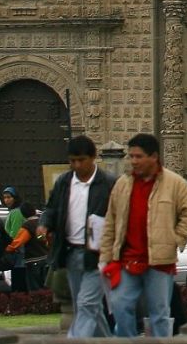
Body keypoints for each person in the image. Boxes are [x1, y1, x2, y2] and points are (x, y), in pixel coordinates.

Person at [99, 132, 187, 340]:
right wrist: (106, 255)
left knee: (159, 314)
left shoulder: (175, 183)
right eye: (131, 156)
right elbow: (111, 220)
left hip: (159, 261)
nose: (133, 161)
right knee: (120, 305)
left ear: (153, 157)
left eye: (138, 156)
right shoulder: (122, 185)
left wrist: (176, 238)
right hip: (127, 259)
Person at [40, 134, 115, 339]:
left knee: (87, 303)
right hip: (70, 251)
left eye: (81, 160)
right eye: (72, 161)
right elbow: (52, 208)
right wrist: (44, 224)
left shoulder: (108, 183)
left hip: (97, 253)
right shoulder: (64, 182)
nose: (76, 165)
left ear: (93, 158)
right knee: (86, 307)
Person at [0, 187, 31, 292]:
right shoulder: (13, 211)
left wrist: (8, 246)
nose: (6, 200)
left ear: (15, 198)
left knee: (18, 277)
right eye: (4, 198)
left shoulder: (16, 212)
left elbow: (15, 233)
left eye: (9, 197)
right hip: (17, 249)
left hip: (17, 249)